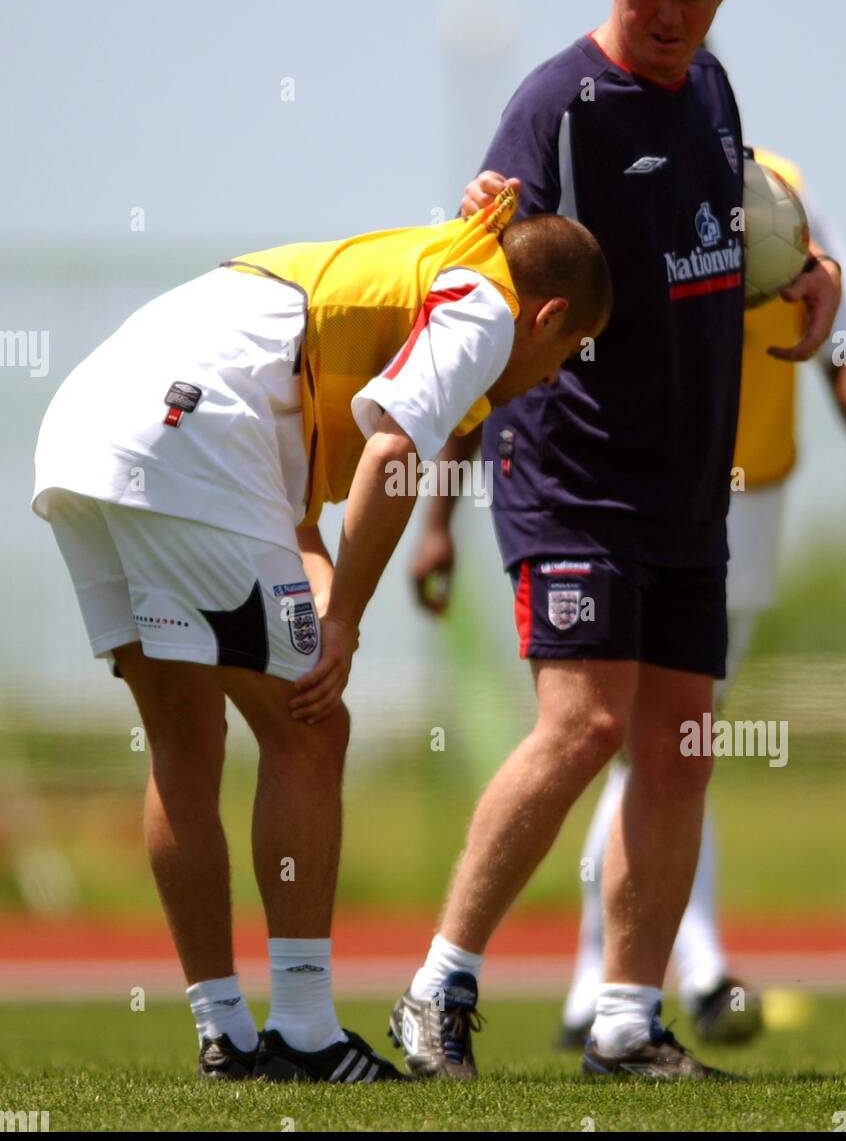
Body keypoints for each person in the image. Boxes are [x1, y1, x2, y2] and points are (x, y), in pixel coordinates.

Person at [389, 0, 840, 1082]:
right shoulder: (553, 107)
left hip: (690, 488)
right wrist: (438, 510)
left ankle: (629, 1022)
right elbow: (476, 296)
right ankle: (437, 989)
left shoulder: (713, 91)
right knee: (581, 727)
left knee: (678, 745)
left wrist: (812, 273)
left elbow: (730, 241)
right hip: (572, 473)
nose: (669, 11)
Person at [31, 189, 611, 1083]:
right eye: (567, 354)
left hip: (87, 433)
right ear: (552, 315)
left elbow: (293, 528)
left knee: (183, 740)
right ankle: (303, 1033)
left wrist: (326, 609)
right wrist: (342, 626)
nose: (552, 380)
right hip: (187, 430)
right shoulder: (489, 303)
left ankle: (225, 1035)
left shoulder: (373, 307)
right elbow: (392, 456)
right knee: (309, 723)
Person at [557, 152, 846, 1048]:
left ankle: (599, 978)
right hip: (637, 484)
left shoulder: (779, 191)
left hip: (751, 490)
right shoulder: (604, 175)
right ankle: (693, 969)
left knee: (671, 735)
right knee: (645, 733)